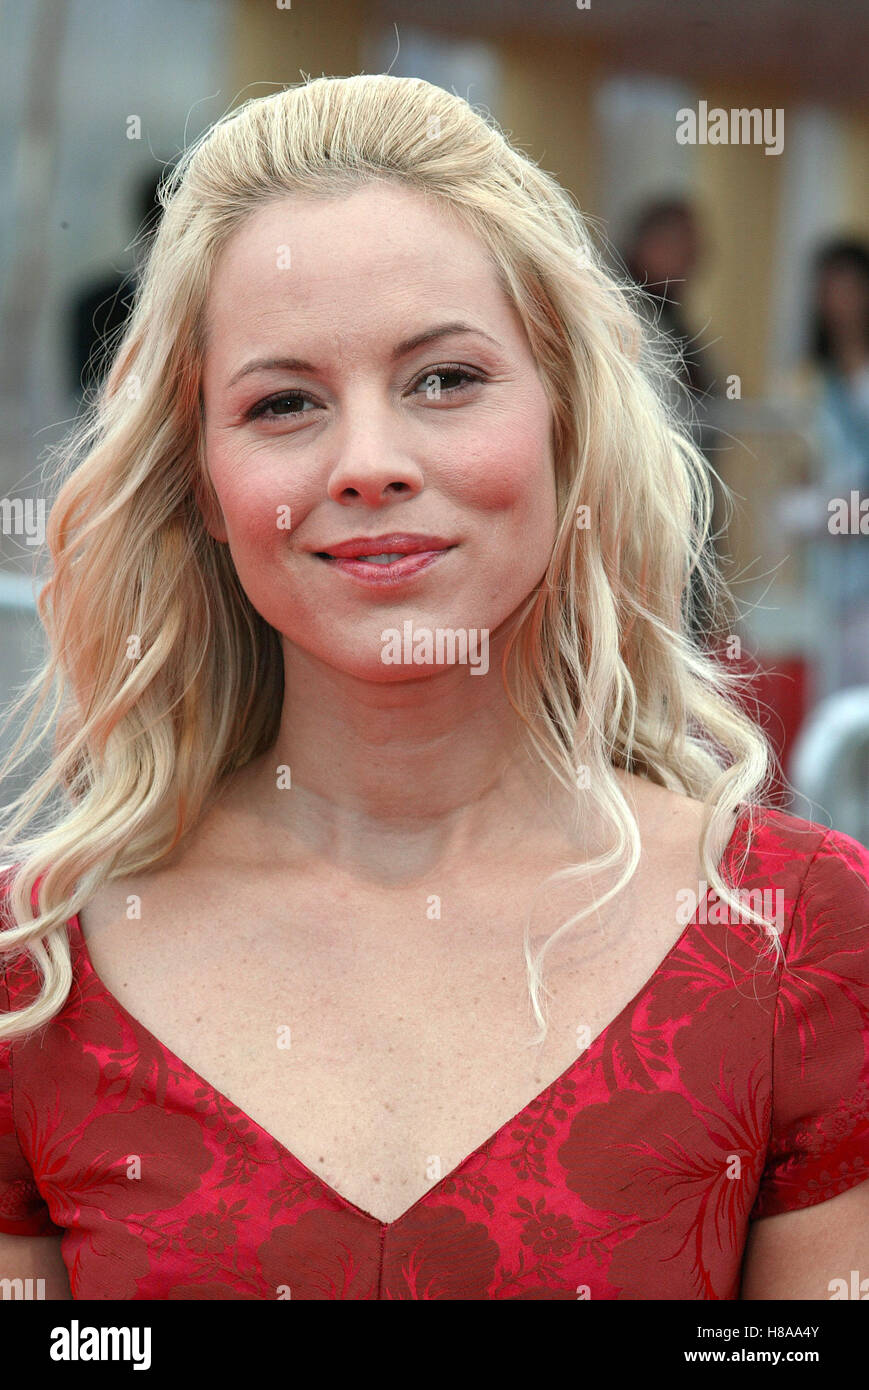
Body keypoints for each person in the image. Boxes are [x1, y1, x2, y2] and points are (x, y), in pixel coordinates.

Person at [0, 74, 867, 1302]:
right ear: (201, 480)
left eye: (444, 380)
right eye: (283, 402)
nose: (368, 463)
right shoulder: (33, 975)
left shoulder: (802, 935)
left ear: (566, 418)